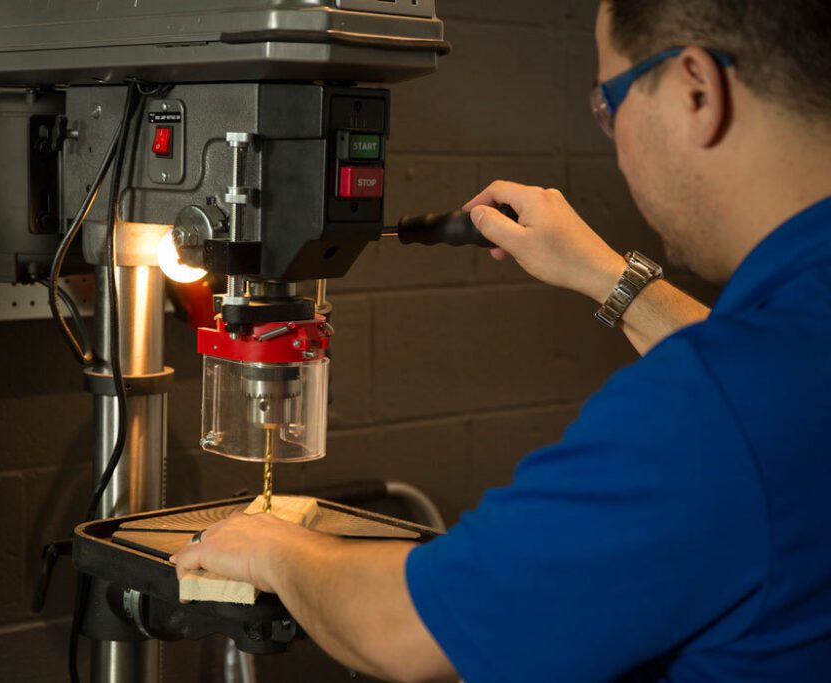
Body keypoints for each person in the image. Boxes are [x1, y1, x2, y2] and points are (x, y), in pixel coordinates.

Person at [172, 0, 831, 680]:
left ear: (697, 89)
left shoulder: (710, 410)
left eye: (610, 102)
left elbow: (403, 630)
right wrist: (608, 276)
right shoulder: (785, 354)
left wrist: (275, 549)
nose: (612, 135)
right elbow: (769, 383)